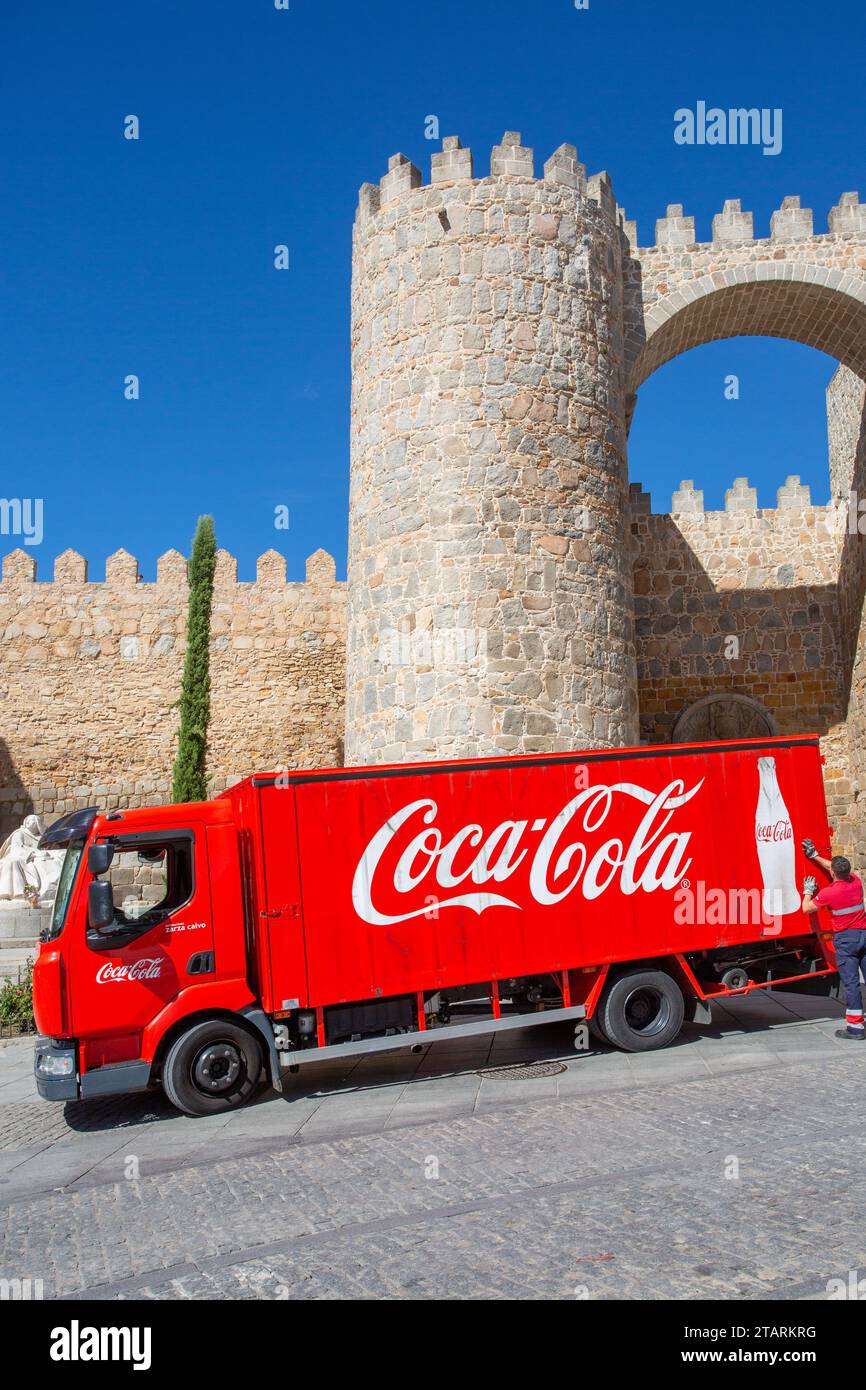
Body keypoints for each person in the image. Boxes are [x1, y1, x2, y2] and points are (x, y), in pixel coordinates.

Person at [801, 839, 866, 1040]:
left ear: (833, 874)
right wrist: (814, 856)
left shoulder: (830, 893)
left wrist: (808, 891)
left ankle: (855, 1028)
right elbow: (833, 867)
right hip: (863, 935)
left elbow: (806, 909)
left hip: (846, 940)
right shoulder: (855, 881)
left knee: (851, 983)